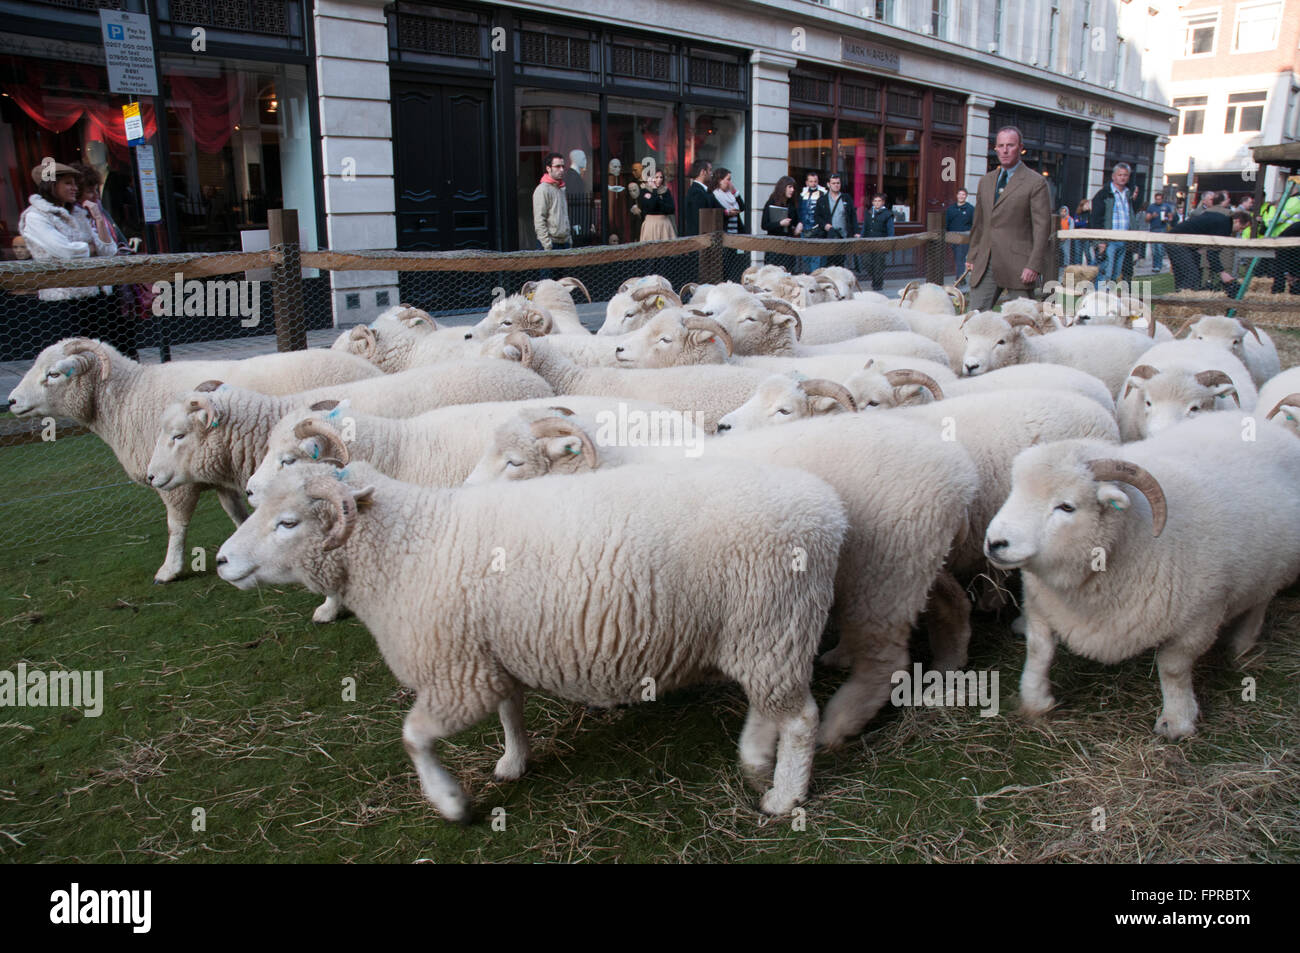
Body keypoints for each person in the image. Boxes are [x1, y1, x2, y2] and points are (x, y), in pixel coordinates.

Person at [18, 159, 122, 357]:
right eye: (68, 183)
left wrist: (99, 219)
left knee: (100, 358)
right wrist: (91, 249)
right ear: (51, 185)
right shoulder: (35, 217)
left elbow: (108, 251)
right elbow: (67, 252)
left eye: (75, 183)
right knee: (69, 359)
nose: (75, 188)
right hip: (62, 301)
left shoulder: (79, 214)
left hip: (94, 298)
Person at [966, 126, 1053, 310]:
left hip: (1020, 266)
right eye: (1001, 145)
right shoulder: (986, 181)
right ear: (995, 148)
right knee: (974, 318)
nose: (1005, 150)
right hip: (986, 262)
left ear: (1020, 148)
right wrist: (972, 256)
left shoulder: (1035, 182)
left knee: (1024, 320)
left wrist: (1034, 264)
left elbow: (1042, 227)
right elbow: (979, 224)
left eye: (1010, 145)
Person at [1165, 201, 1249, 292]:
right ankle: (1185, 299)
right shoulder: (1225, 226)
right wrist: (1222, 273)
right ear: (1237, 221)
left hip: (1181, 242)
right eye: (1241, 228)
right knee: (1191, 274)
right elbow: (1212, 253)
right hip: (1176, 241)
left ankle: (1180, 296)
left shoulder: (1222, 220)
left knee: (1184, 273)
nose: (1240, 231)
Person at [1090, 162, 1139, 285]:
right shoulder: (1103, 194)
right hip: (1108, 241)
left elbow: (1132, 216)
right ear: (1113, 176)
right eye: (1120, 175)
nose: (1122, 177)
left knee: (1116, 275)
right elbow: (1095, 219)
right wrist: (1100, 241)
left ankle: (1108, 300)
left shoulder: (1129, 194)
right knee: (1105, 272)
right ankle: (1098, 301)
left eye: (1125, 175)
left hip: (1124, 240)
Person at [817, 172, 858, 270]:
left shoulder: (846, 198)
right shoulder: (822, 199)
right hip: (828, 237)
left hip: (842, 237)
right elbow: (817, 217)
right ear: (828, 184)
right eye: (834, 183)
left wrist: (856, 232)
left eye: (838, 183)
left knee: (840, 265)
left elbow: (853, 216)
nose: (836, 185)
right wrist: (825, 225)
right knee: (826, 265)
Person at [712, 167, 747, 282]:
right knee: (724, 264)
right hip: (723, 234)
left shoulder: (730, 194)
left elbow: (742, 207)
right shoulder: (715, 194)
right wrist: (727, 213)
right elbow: (715, 211)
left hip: (734, 233)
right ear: (720, 180)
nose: (729, 182)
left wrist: (735, 192)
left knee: (733, 263)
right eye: (728, 179)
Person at [532, 152, 571, 251]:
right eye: (557, 166)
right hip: (551, 244)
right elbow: (539, 220)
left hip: (564, 243)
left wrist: (569, 239)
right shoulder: (542, 190)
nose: (561, 169)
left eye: (563, 166)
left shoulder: (561, 188)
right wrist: (547, 245)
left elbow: (564, 216)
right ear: (548, 168)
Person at [762, 176, 801, 273]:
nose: (792, 190)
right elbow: (764, 225)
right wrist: (780, 223)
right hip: (774, 247)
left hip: (788, 246)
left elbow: (796, 221)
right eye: (790, 187)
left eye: (793, 188)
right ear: (783, 188)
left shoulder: (792, 204)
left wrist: (799, 225)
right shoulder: (771, 202)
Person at [861, 193, 895, 291]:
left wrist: (889, 243)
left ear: (883, 202)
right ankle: (876, 277)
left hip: (881, 243)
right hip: (868, 242)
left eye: (879, 201)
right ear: (872, 202)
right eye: (875, 201)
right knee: (866, 261)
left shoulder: (887, 214)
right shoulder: (868, 212)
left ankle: (877, 284)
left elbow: (890, 230)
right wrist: (862, 238)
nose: (877, 203)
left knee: (878, 264)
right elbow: (864, 227)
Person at [796, 171, 828, 272]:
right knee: (806, 256)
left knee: (816, 256)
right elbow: (800, 210)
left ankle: (815, 276)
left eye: (815, 181)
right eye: (811, 181)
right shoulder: (802, 194)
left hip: (817, 229)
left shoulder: (823, 194)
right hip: (805, 229)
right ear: (807, 182)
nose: (813, 183)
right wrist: (800, 222)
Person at [637, 169, 677, 241]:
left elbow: (671, 209)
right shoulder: (644, 190)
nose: (659, 180)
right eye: (656, 177)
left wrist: (657, 200)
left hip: (664, 224)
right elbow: (650, 207)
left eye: (661, 177)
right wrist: (654, 189)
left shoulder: (665, 191)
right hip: (650, 225)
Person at [683, 159, 719, 236]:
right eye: (710, 170)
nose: (711, 174)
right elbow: (699, 219)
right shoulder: (696, 192)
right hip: (699, 238)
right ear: (703, 172)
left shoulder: (702, 190)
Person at [945, 188, 974, 279]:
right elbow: (947, 223)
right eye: (960, 194)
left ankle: (960, 278)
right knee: (956, 258)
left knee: (960, 258)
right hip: (952, 237)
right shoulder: (950, 209)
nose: (961, 196)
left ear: (966, 196)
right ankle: (960, 276)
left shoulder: (970, 209)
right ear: (957, 196)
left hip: (964, 238)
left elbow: (974, 223)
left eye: (963, 195)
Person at [1144, 190, 1174, 273]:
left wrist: (1166, 219)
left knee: (1160, 248)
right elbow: (1146, 219)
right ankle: (1155, 265)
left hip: (1162, 229)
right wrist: (1152, 216)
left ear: (1162, 199)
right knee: (1154, 249)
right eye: (1156, 199)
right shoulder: (1151, 207)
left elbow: (1170, 218)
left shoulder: (1166, 207)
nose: (1158, 201)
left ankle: (1159, 265)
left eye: (1159, 199)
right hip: (1153, 229)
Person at [1070, 200, 1093, 265]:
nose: (1088, 206)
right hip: (1078, 236)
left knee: (1087, 253)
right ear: (1082, 205)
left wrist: (1083, 223)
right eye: (1087, 204)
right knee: (1078, 253)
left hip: (1086, 236)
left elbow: (1089, 224)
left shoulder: (1089, 214)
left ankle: (1090, 268)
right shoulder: (1077, 214)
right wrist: (1085, 222)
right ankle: (1077, 268)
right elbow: (1076, 224)